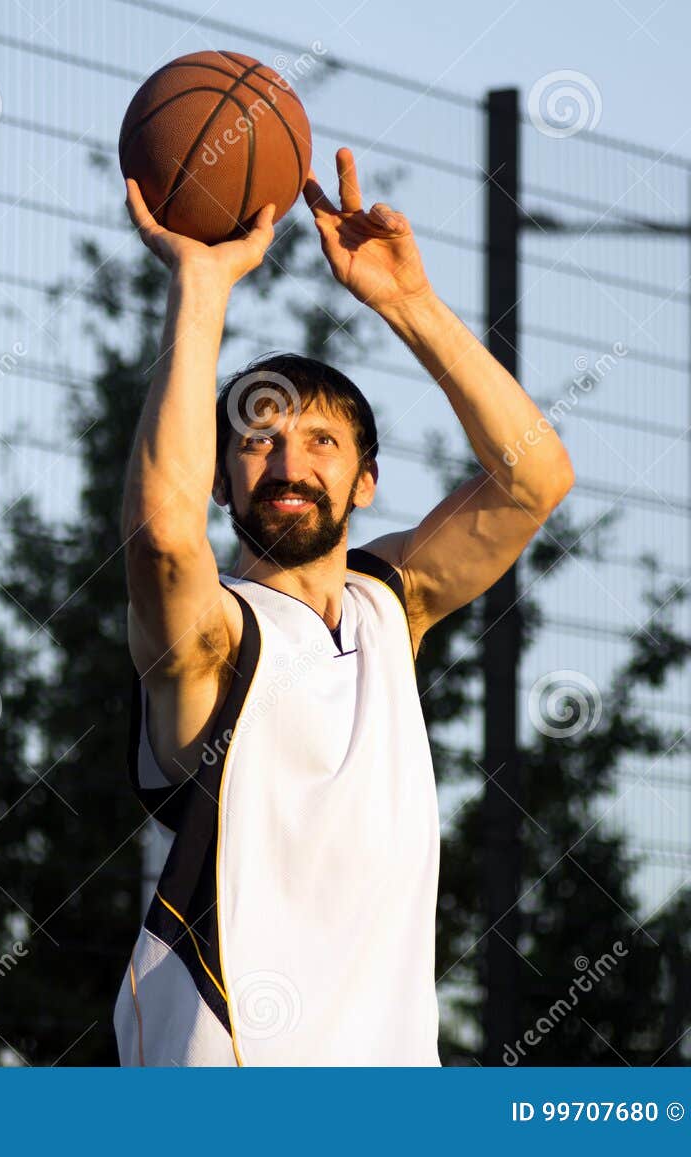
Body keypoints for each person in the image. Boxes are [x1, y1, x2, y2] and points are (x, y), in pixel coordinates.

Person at [113, 148, 575, 1065]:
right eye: (259, 440)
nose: (290, 465)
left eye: (322, 440)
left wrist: (408, 304)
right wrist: (201, 285)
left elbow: (535, 480)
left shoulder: (385, 611)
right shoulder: (214, 644)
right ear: (219, 479)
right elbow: (163, 541)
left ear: (365, 481)